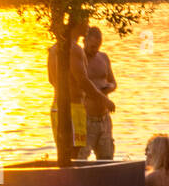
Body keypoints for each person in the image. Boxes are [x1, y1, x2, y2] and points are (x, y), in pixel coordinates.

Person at [48, 16, 114, 159]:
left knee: (66, 156)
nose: (88, 26)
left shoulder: (53, 49)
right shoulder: (74, 49)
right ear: (77, 23)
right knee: (75, 156)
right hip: (72, 109)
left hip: (56, 107)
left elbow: (51, 80)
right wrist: (104, 99)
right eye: (86, 21)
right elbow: (82, 81)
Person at [82, 26, 117, 160]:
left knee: (107, 158)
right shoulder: (80, 59)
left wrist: (108, 88)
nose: (94, 49)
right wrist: (102, 97)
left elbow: (113, 82)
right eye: (91, 46)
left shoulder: (103, 57)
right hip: (86, 119)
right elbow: (83, 85)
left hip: (104, 118)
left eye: (97, 46)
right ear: (85, 41)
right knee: (81, 157)